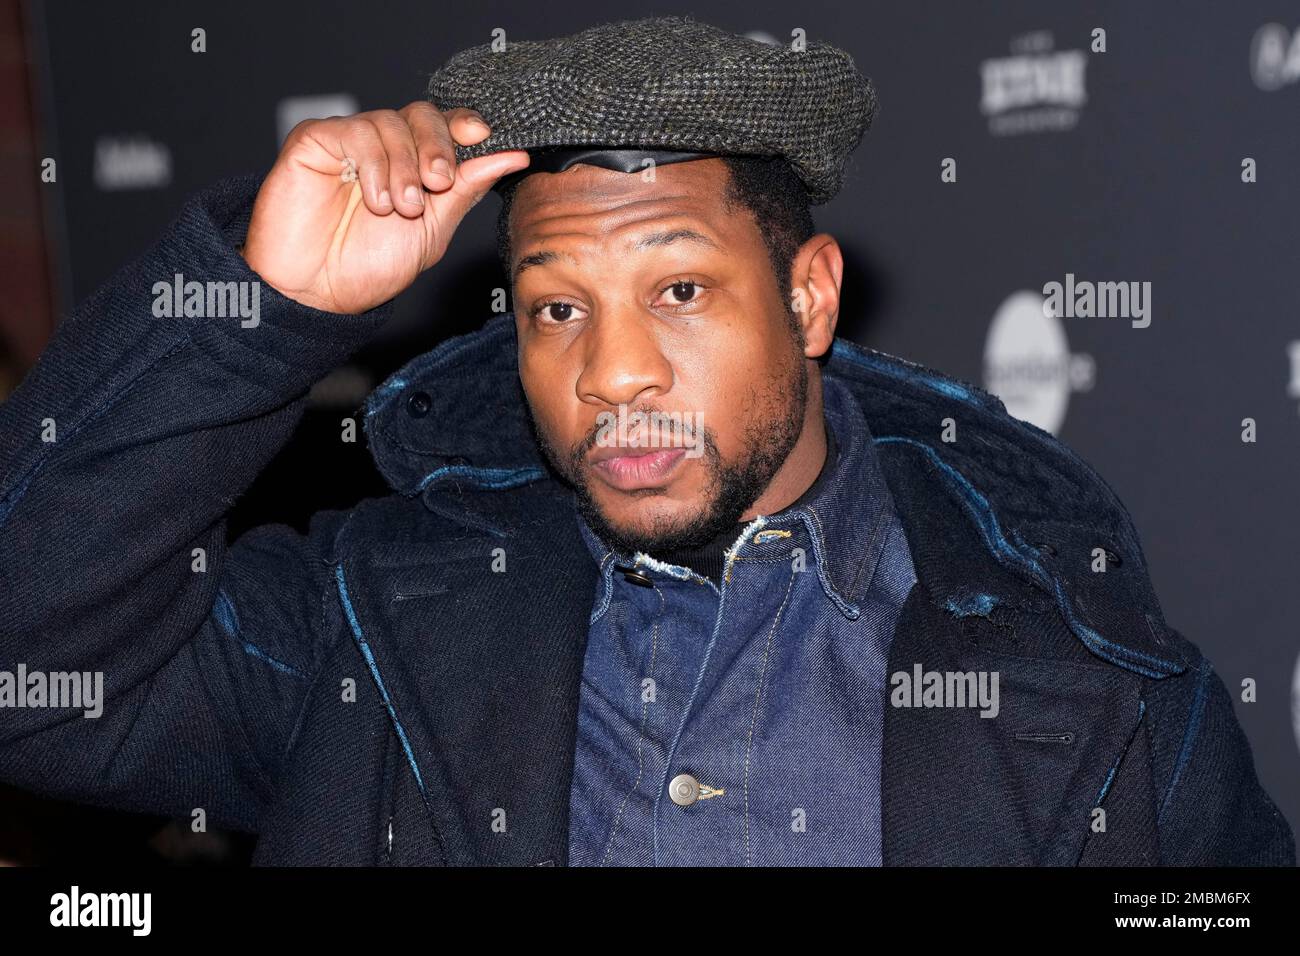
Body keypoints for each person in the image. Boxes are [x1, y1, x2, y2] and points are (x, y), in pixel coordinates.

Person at [0, 16, 1291, 866]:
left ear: (810, 298)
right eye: (559, 307)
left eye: (679, 290)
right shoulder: (369, 621)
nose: (611, 371)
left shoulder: (1092, 677)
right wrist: (258, 303)